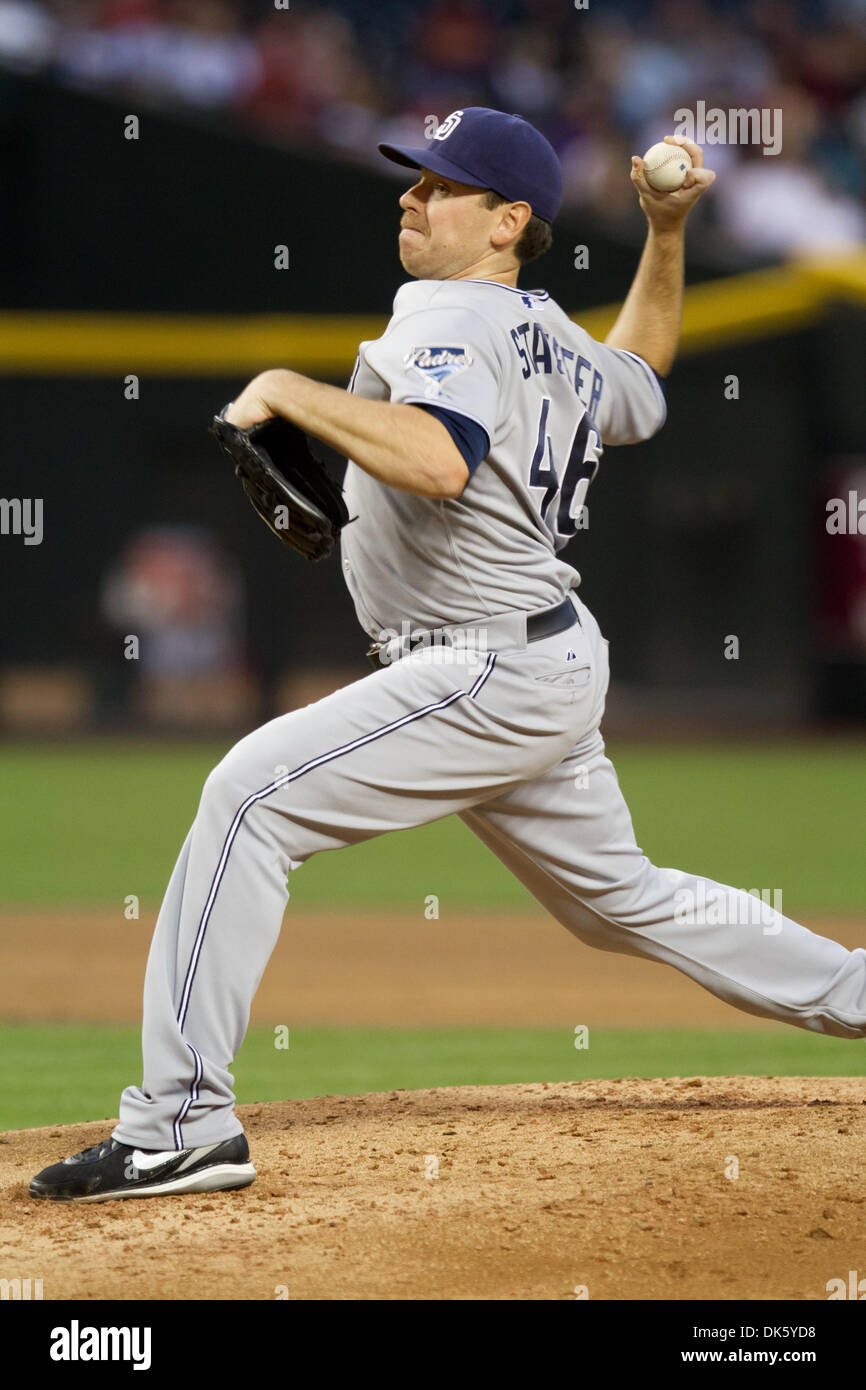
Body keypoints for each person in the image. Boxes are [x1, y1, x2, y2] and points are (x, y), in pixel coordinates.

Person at [30, 108, 865, 1203]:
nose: (409, 198)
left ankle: (179, 1124)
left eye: (439, 186)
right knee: (620, 899)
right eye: (412, 179)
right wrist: (663, 234)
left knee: (247, 800)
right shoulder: (547, 331)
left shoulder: (448, 314)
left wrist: (288, 389)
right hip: (539, 662)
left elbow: (435, 461)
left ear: (506, 220)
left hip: (481, 667)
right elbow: (645, 383)